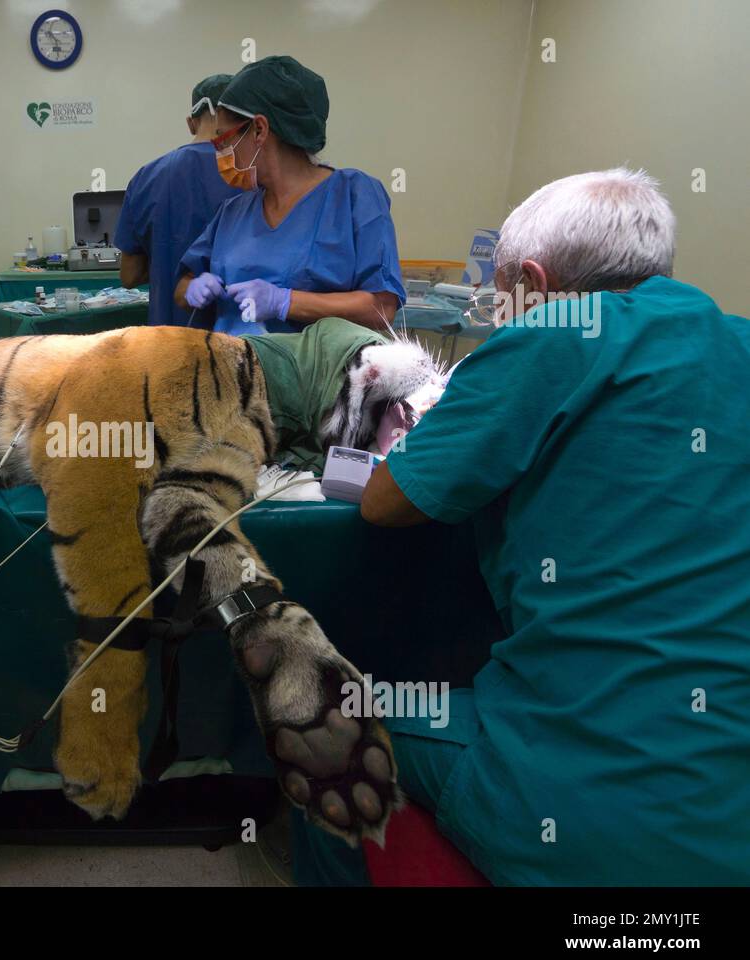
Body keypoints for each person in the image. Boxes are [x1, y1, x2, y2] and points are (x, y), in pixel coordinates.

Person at [356, 168, 750, 884]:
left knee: (333, 716)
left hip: (584, 801)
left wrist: (438, 430)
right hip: (729, 802)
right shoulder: (738, 342)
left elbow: (384, 500)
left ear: (532, 285)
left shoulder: (553, 334)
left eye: (497, 295)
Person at [174, 56, 405, 335]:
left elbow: (381, 309)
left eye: (224, 139)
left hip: (313, 375)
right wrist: (192, 290)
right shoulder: (234, 211)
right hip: (232, 371)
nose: (220, 151)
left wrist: (284, 301)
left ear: (259, 129)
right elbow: (183, 284)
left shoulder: (354, 196)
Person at [114, 74, 243, 327]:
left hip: (169, 339)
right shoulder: (252, 175)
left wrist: (167, 261)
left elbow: (129, 276)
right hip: (239, 339)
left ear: (190, 123)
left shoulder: (147, 177)